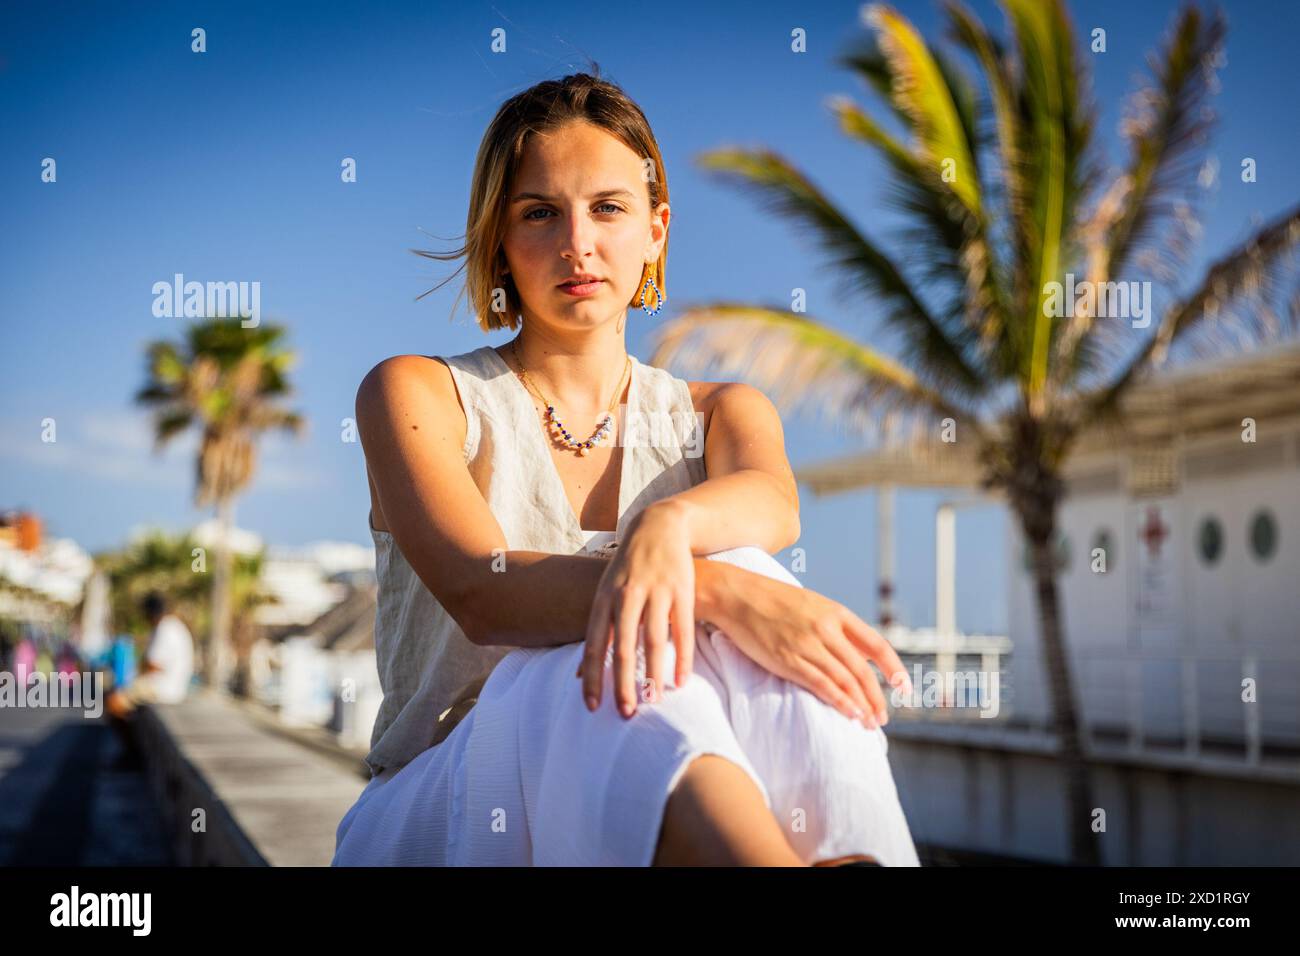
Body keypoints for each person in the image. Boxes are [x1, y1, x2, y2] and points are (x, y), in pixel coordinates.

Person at [332, 70, 921, 867]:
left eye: (608, 208)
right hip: (443, 814)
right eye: (540, 213)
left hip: (623, 807)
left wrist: (666, 523)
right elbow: (485, 593)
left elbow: (774, 505)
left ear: (656, 230)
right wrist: (709, 588)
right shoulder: (417, 392)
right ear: (499, 242)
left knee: (744, 602)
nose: (578, 242)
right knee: (608, 663)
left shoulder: (721, 414)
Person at [105, 593, 195, 733]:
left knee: (113, 701)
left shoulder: (165, 628)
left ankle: (134, 744)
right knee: (121, 699)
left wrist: (138, 671)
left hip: (165, 688)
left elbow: (153, 665)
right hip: (174, 686)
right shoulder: (173, 626)